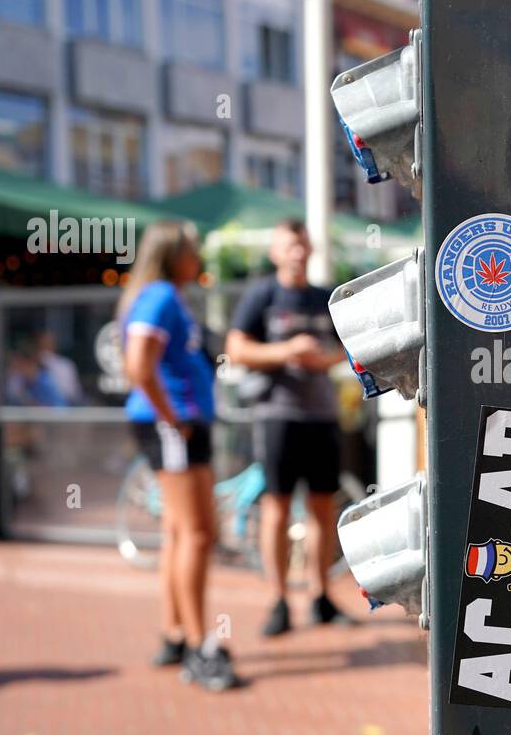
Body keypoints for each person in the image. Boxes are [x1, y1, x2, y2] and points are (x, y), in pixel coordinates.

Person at [120, 221, 237, 692]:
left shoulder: (164, 296)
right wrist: (172, 417)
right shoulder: (160, 297)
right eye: (193, 250)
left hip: (179, 423)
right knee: (198, 532)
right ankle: (197, 645)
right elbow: (137, 367)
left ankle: (176, 634)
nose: (199, 259)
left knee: (177, 531)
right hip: (175, 426)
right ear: (173, 254)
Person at [225, 219, 346, 635]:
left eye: (302, 244)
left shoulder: (325, 297)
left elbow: (348, 350)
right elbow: (236, 349)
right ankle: (277, 600)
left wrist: (323, 360)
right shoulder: (262, 295)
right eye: (289, 245)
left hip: (322, 415)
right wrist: (287, 351)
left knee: (322, 507)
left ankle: (321, 595)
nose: (297, 252)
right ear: (275, 252)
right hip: (277, 416)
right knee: (275, 507)